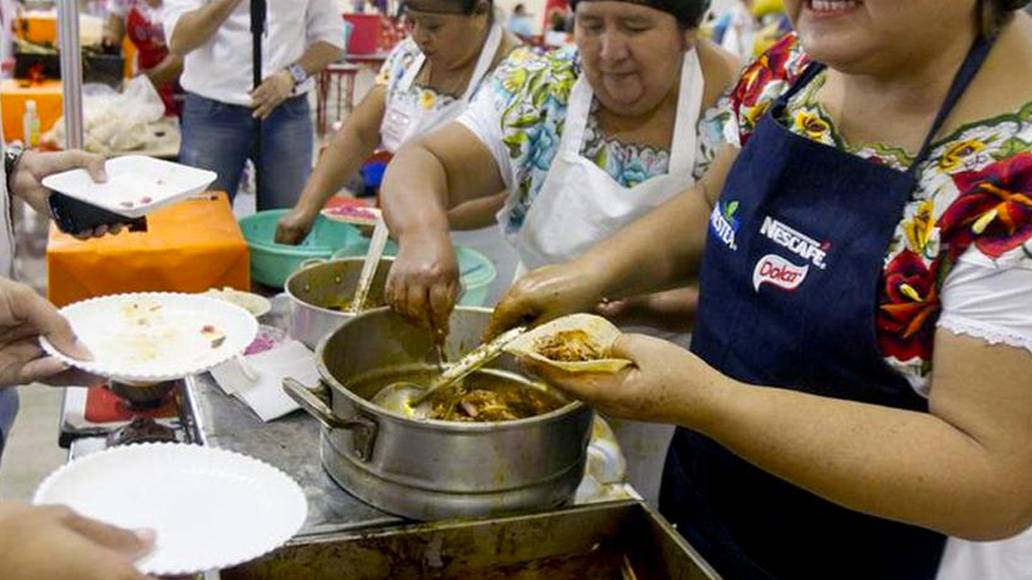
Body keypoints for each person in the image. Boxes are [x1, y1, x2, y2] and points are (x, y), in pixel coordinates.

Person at [487, 0, 1032, 578]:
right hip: (705, 513)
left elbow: (992, 476)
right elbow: (711, 206)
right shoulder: (798, 65)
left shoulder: (1008, 187)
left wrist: (709, 401)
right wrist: (591, 275)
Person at [378, 0, 738, 502]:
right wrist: (421, 232)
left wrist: (643, 308)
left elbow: (751, 289)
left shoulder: (742, 116)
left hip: (676, 390)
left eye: (635, 27)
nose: (609, 52)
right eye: (590, 26)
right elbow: (425, 159)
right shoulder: (542, 88)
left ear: (687, 30)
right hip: (533, 362)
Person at [275, 0, 520, 245]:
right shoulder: (409, 56)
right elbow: (359, 135)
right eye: (411, 22)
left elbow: (513, 193)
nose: (419, 37)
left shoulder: (520, 78)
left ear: (479, 12)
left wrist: (419, 223)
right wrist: (307, 206)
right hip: (404, 230)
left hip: (479, 247)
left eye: (434, 27)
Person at [164, 0, 346, 210]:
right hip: (212, 111)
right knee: (201, 220)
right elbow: (179, 41)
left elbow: (331, 39)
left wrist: (291, 76)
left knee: (286, 220)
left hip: (286, 110)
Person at [102, 0, 184, 116]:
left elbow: (184, 54)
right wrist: (110, 41)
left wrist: (147, 82)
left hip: (183, 81)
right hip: (144, 73)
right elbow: (115, 28)